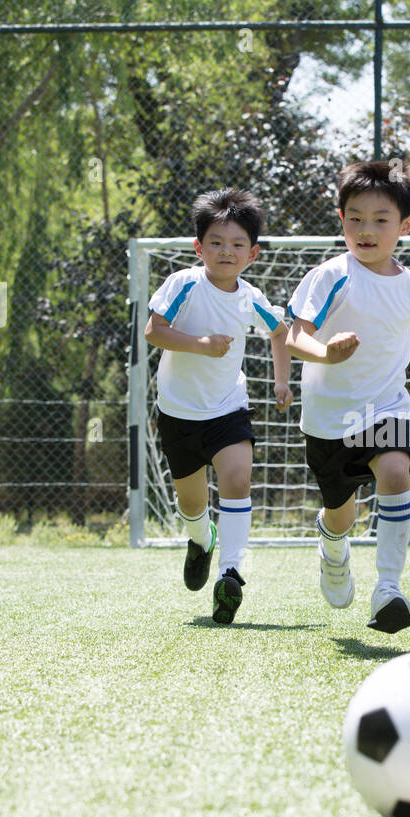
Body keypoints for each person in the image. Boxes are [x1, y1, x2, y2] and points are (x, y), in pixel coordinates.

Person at [285, 159, 410, 633]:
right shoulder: (329, 275)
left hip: (385, 410)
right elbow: (295, 336)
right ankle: (333, 548)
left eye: (381, 220)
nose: (366, 229)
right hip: (327, 422)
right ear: (341, 221)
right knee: (342, 513)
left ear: (406, 225)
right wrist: (325, 353)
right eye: (355, 218)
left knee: (396, 471)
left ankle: (389, 589)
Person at [145, 188, 291, 624]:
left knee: (236, 479)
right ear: (198, 247)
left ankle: (231, 573)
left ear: (253, 253)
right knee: (192, 504)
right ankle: (201, 538)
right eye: (216, 242)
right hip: (178, 413)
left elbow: (280, 332)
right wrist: (200, 345)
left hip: (229, 409)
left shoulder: (251, 298)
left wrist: (282, 380)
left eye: (237, 244)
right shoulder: (185, 283)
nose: (226, 251)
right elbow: (154, 330)